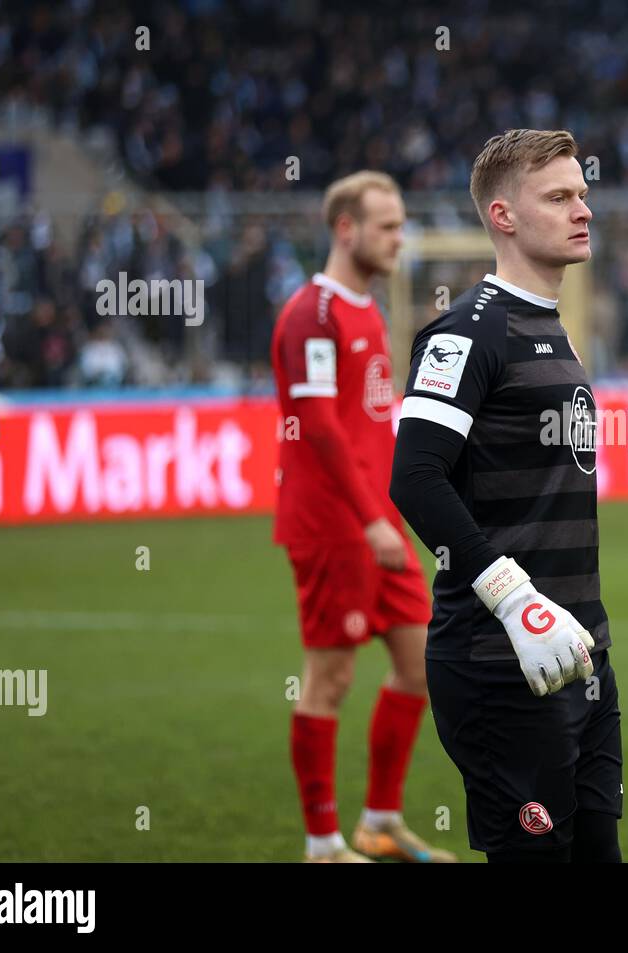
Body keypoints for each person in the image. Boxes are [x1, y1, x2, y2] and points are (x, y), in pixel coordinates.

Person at [390, 129, 622, 863]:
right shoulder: (466, 334)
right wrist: (516, 600)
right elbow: (414, 476)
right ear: (504, 216)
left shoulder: (550, 327)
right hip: (499, 660)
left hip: (582, 653)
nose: (582, 209)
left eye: (583, 193)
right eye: (558, 197)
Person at [270, 170, 455, 863]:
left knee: (421, 665)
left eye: (400, 223)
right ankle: (322, 842)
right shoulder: (310, 315)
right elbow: (318, 426)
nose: (398, 236)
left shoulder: (369, 311)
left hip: (379, 523)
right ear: (346, 229)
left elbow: (373, 420)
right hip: (332, 525)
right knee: (331, 677)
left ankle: (379, 821)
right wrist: (369, 518)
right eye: (387, 225)